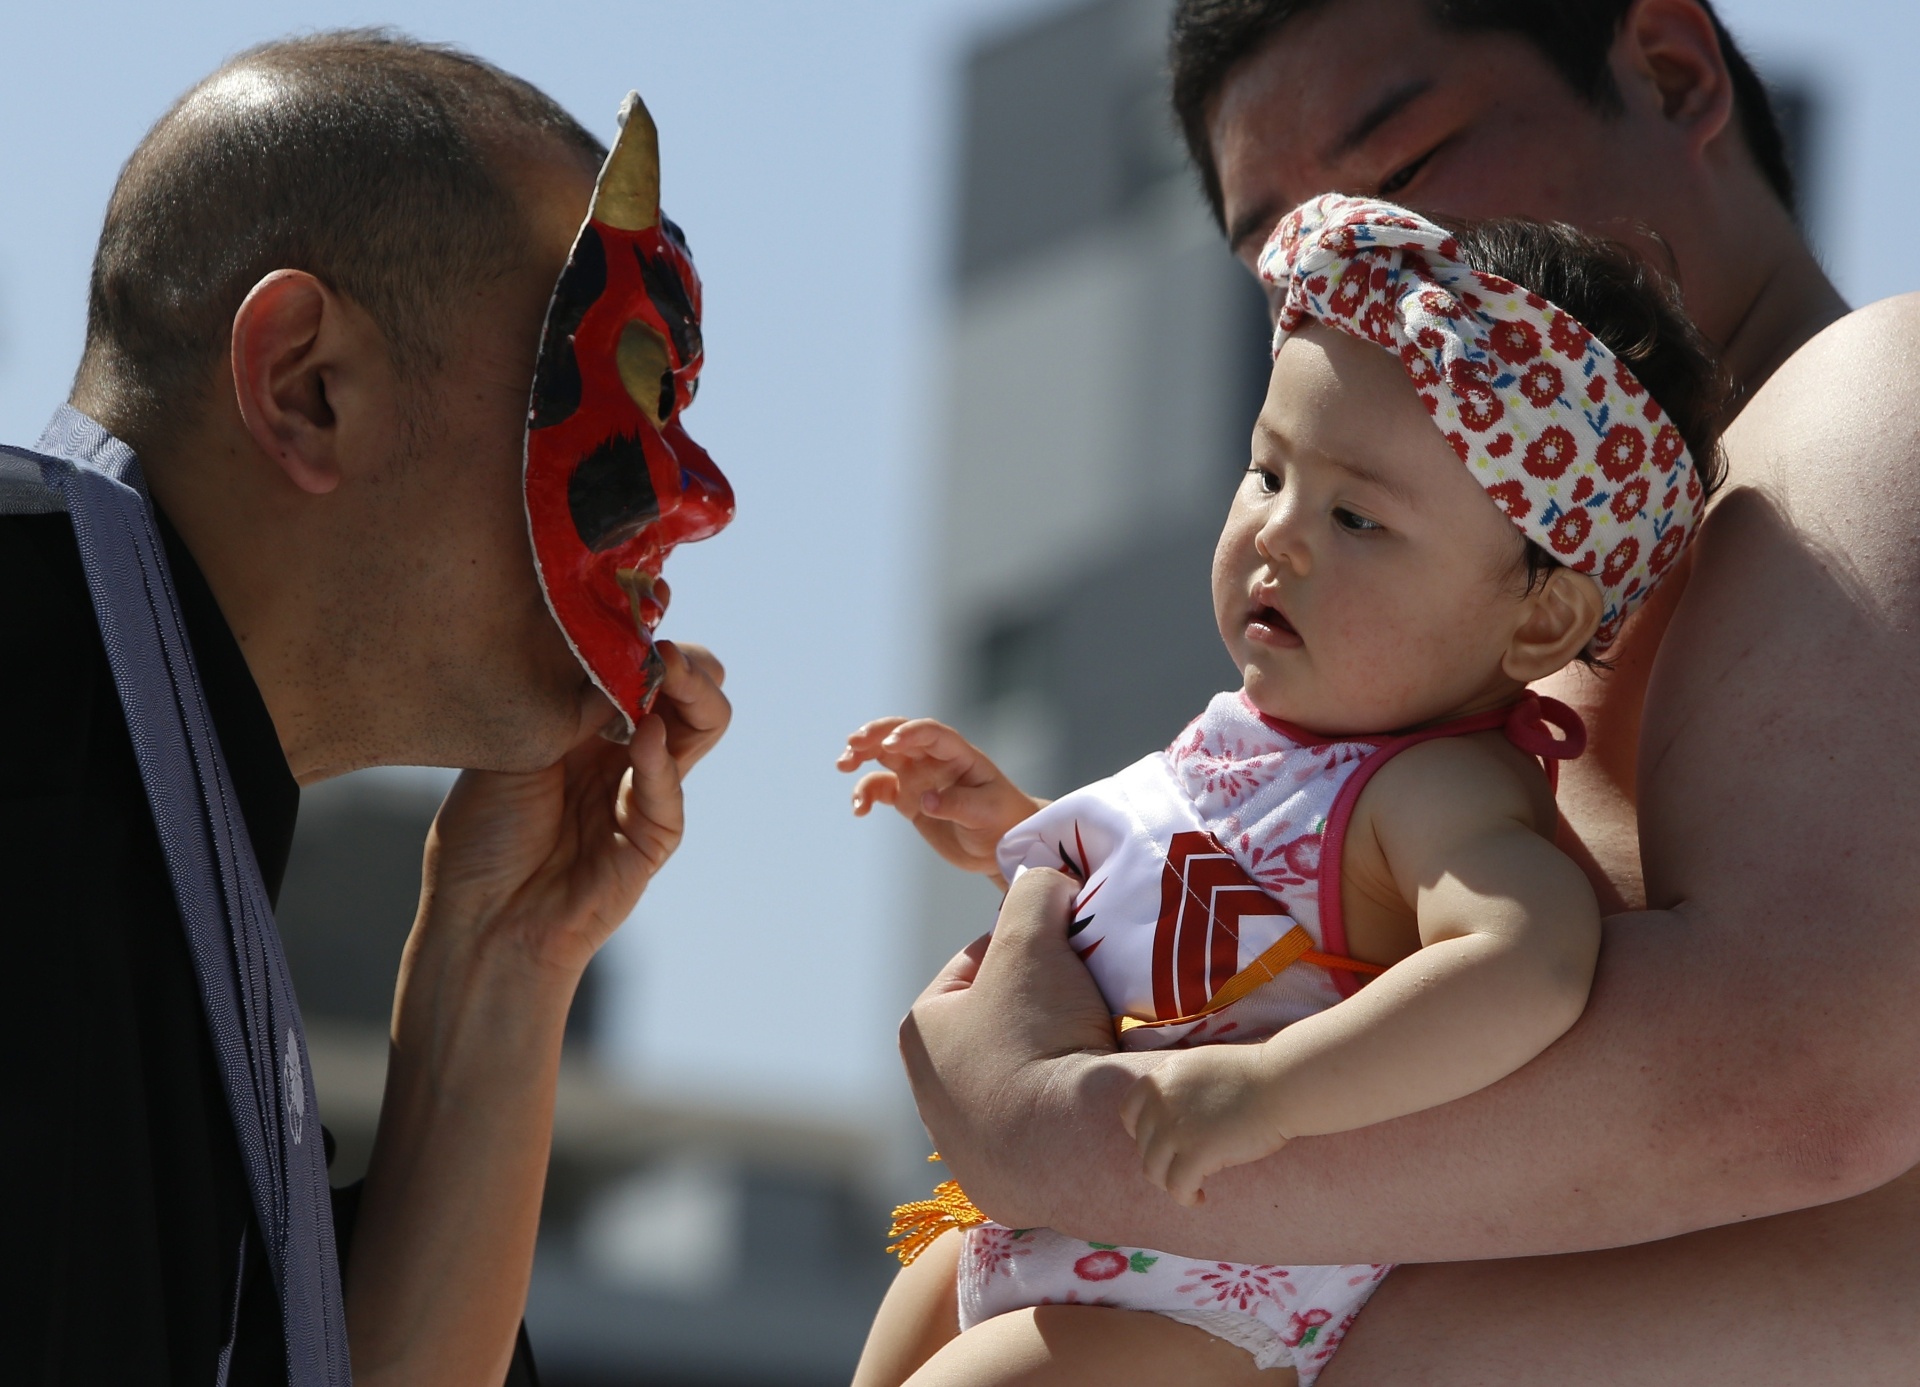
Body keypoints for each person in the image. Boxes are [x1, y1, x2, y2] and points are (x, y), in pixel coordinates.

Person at [895, 0, 1920, 1381]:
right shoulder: (1420, 627)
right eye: (1290, 256)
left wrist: (1057, 1125)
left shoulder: (1864, 395)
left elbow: (1800, 1066)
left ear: (1671, 75)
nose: (1376, 270)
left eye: (1401, 171)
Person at [847, 195, 1724, 1386]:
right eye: (1268, 473)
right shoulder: (1267, 741)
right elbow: (1197, 897)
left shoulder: (1435, 786)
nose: (1281, 537)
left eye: (1358, 516)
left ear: (1543, 615)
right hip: (1064, 1221)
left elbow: (1532, 953)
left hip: (1203, 1289)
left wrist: (1274, 1089)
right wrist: (1014, 823)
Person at [0, 32, 730, 1387]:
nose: (695, 495)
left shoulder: (147, 779)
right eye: (631, 401)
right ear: (307, 386)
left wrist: (505, 958)